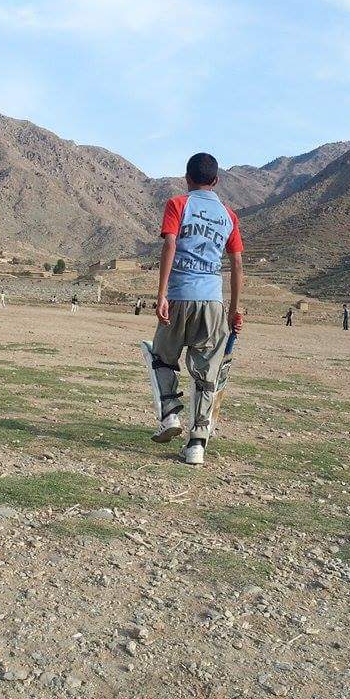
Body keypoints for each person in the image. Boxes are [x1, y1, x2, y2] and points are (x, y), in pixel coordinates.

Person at [144, 152, 244, 467]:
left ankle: (170, 414)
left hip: (179, 296)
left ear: (187, 178)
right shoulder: (228, 215)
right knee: (206, 374)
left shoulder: (178, 204)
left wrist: (162, 294)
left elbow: (170, 244)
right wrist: (233, 309)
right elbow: (237, 263)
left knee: (160, 357)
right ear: (216, 181)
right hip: (213, 302)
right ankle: (197, 444)